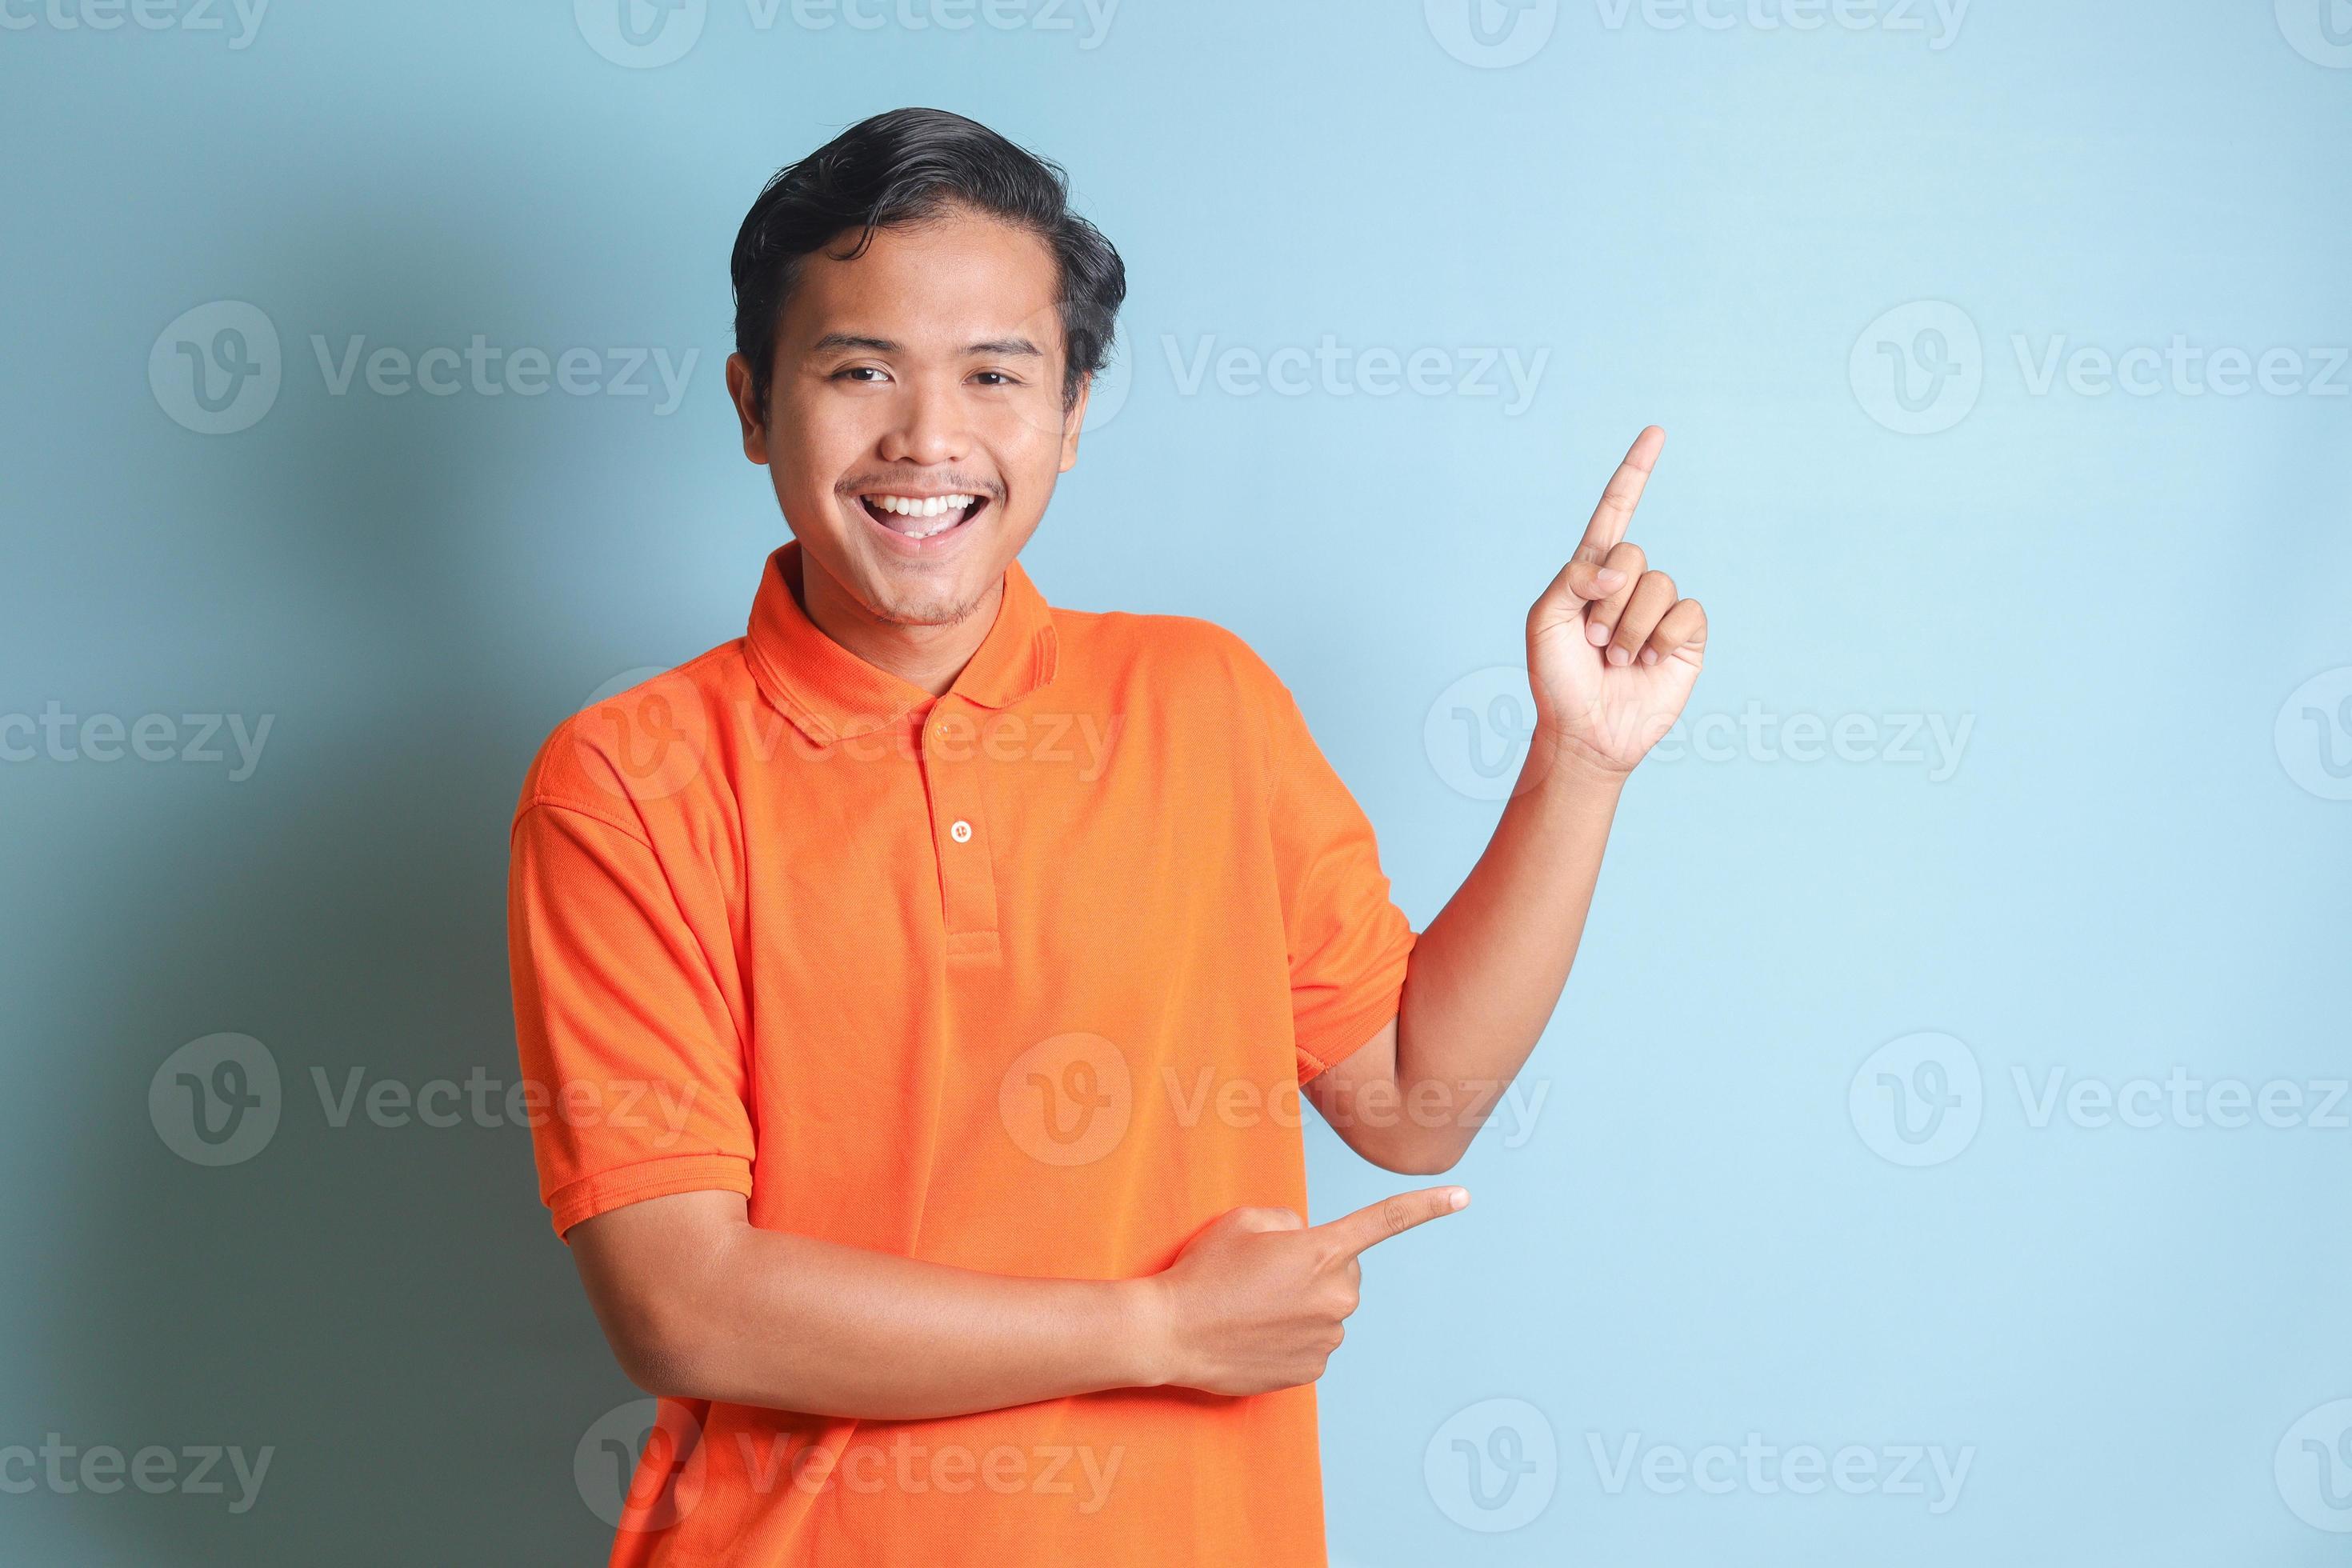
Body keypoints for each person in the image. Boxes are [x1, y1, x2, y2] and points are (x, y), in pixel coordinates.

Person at [506, 106, 1706, 1566]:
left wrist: (1578, 764)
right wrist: (1160, 1330)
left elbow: (1410, 1104)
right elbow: (679, 1302)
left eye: (995, 374)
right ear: (755, 405)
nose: (926, 437)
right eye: (858, 368)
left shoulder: (1204, 701)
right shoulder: (628, 779)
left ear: (1072, 416)